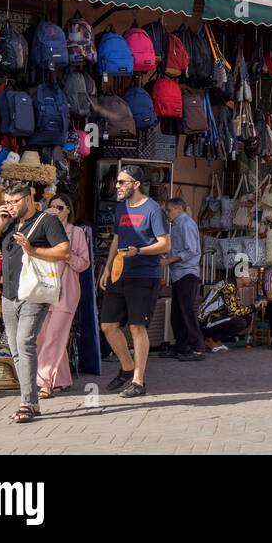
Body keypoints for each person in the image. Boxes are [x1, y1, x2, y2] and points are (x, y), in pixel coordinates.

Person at [0, 181, 71, 423]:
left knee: (24, 342)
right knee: (16, 349)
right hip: (9, 295)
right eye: (7, 202)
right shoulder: (7, 224)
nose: (10, 206)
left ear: (28, 199)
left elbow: (64, 252)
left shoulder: (46, 221)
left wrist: (32, 250)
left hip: (35, 293)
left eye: (15, 201)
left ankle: (27, 403)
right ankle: (31, 401)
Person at [98, 166, 171, 398]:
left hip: (144, 275)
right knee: (108, 325)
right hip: (119, 273)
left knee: (136, 326)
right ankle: (127, 367)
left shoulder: (153, 210)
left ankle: (138, 381)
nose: (118, 186)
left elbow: (165, 245)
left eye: (122, 182)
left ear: (136, 184)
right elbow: (116, 238)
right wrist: (107, 268)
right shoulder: (121, 208)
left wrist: (138, 250)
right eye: (118, 182)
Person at [35, 192, 89, 398]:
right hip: (42, 290)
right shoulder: (42, 229)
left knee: (54, 337)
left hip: (65, 291)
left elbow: (84, 263)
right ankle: (63, 379)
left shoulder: (76, 233)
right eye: (52, 206)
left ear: (68, 210)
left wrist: (67, 256)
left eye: (60, 207)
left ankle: (44, 382)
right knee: (42, 337)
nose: (56, 211)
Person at [161, 197, 205, 361]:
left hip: (187, 273)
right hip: (179, 273)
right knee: (177, 313)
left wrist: (168, 261)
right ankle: (181, 346)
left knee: (186, 311)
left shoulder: (186, 224)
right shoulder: (178, 225)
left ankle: (198, 347)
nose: (167, 213)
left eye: (169, 210)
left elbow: (190, 251)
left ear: (179, 209)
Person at [199, 279, 257, 352]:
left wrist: (254, 307)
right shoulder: (228, 286)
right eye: (250, 274)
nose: (252, 278)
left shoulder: (232, 285)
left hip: (215, 317)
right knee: (239, 322)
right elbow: (234, 311)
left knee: (246, 318)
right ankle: (209, 340)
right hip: (206, 320)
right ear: (241, 274)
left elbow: (238, 307)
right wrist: (253, 307)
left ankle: (217, 340)